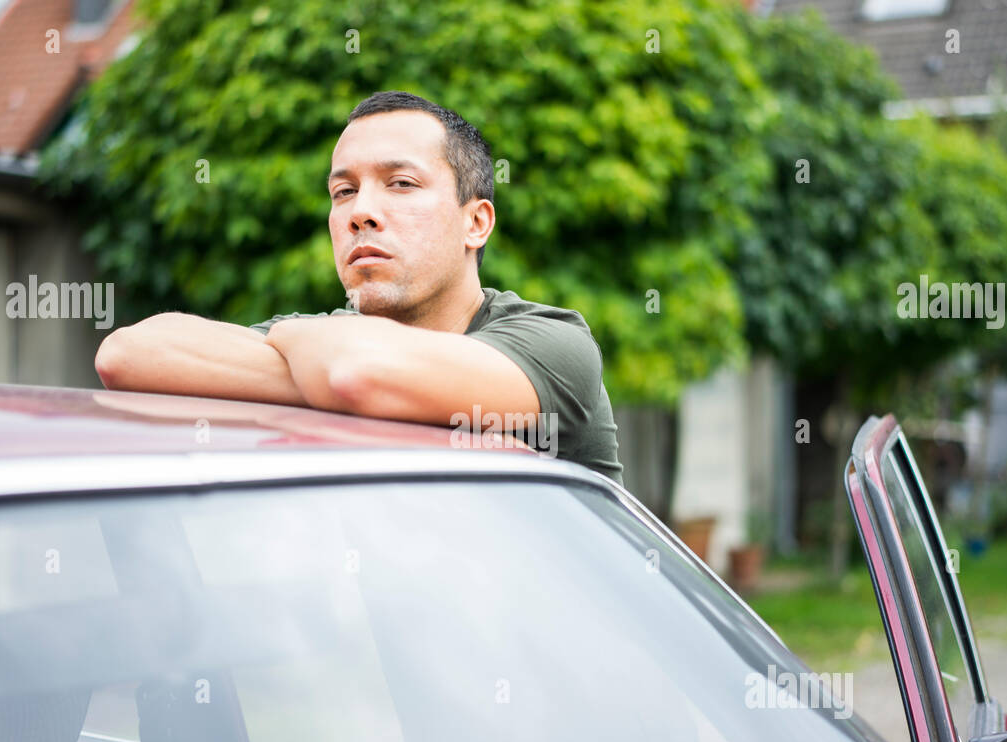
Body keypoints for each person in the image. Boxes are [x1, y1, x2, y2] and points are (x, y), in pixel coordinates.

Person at [94, 90, 622, 483]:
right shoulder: (324, 347)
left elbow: (356, 373)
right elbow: (126, 355)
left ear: (476, 222)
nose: (361, 213)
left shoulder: (555, 345)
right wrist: (317, 358)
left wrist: (298, 343)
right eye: (343, 191)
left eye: (401, 183)